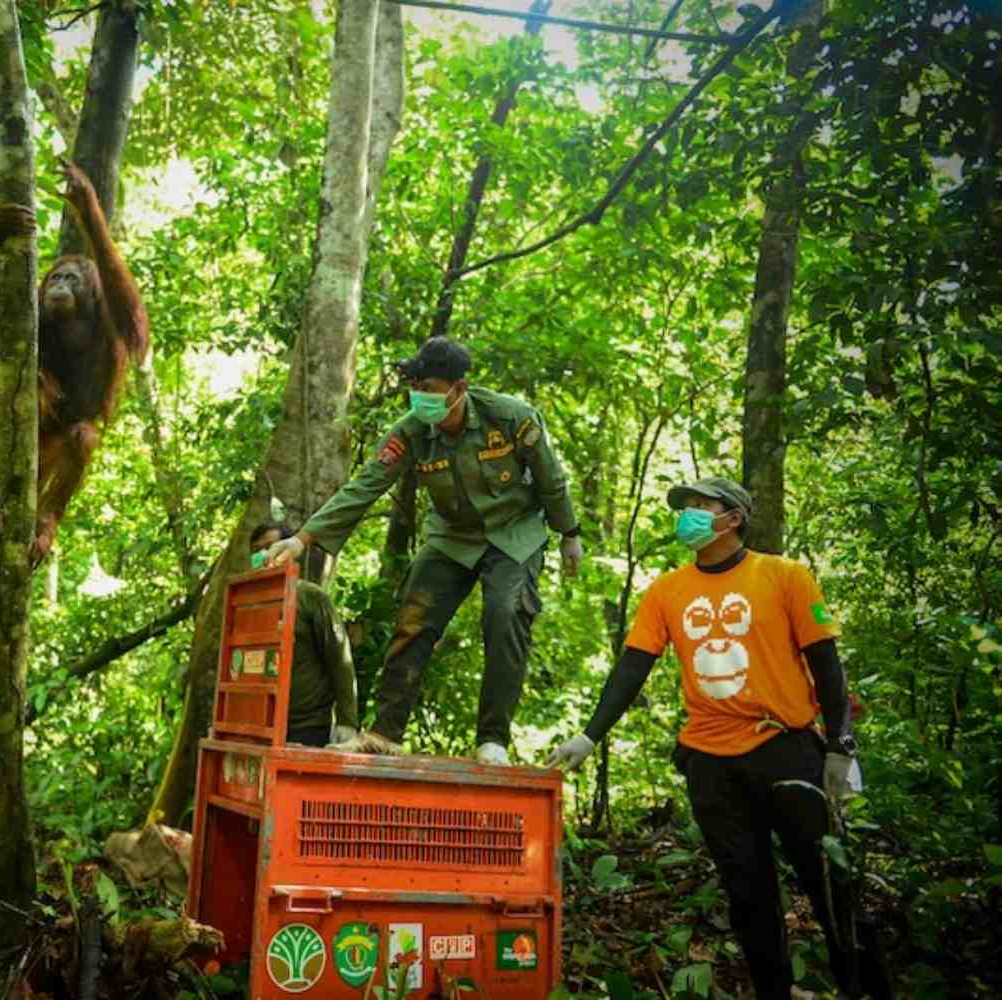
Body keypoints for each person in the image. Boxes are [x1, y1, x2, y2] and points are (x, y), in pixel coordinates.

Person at [545, 477, 889, 1000]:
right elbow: (632, 667)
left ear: (733, 518)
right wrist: (590, 737)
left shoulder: (785, 576)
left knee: (829, 884)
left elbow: (827, 664)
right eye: (684, 507)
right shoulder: (667, 591)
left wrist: (840, 745)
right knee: (748, 895)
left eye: (700, 506)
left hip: (786, 751)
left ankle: (865, 990)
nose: (688, 514)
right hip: (710, 762)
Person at [267, 336, 584, 765]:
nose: (419, 396)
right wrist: (302, 539)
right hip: (453, 537)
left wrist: (569, 533)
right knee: (414, 618)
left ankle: (492, 740)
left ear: (458, 389)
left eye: (429, 387)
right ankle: (384, 733)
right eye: (414, 386)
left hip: (514, 533)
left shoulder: (511, 418)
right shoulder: (413, 431)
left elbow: (550, 478)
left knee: (506, 614)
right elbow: (365, 487)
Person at [250, 524, 359, 747]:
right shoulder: (249, 603)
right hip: (260, 725)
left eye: (271, 547)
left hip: (307, 726)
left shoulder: (309, 597)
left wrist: (347, 721)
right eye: (257, 550)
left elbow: (339, 658)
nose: (263, 555)